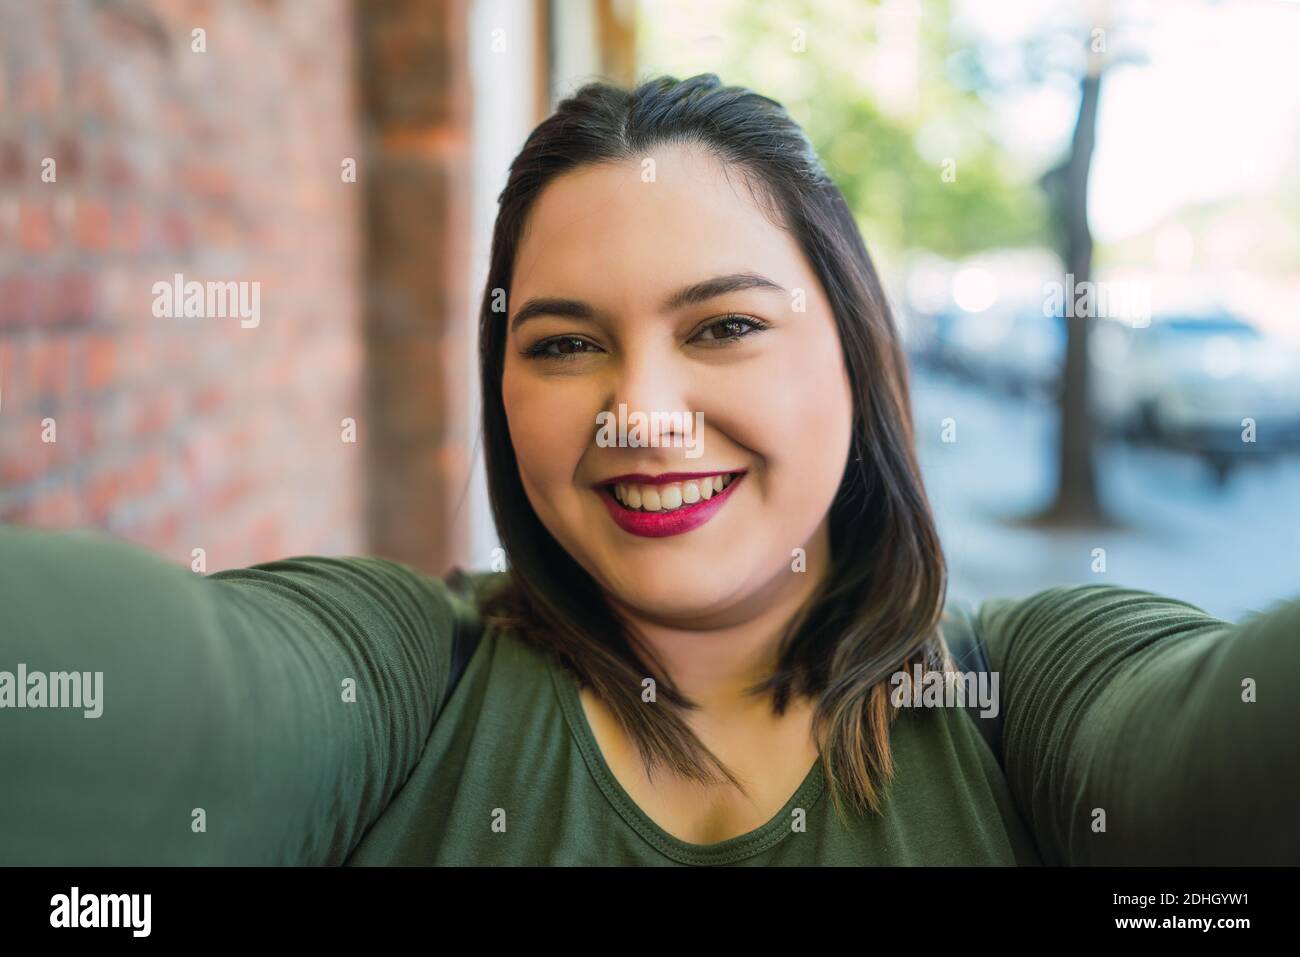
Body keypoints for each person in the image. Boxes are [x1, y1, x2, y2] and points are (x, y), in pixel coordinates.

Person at [1, 74, 1296, 866]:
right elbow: (169, 695)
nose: (640, 416)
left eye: (722, 326)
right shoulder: (402, 682)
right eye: (565, 344)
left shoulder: (1032, 700)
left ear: (852, 350)